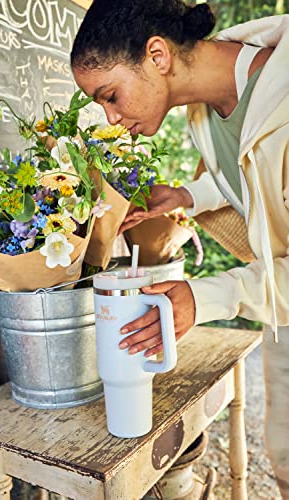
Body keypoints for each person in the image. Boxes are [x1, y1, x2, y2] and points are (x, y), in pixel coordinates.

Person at [71, 1, 289, 495]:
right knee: (283, 455)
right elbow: (259, 171)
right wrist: (188, 195)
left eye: (110, 95)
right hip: (279, 302)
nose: (111, 118)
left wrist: (206, 297)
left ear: (157, 55)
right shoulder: (208, 110)